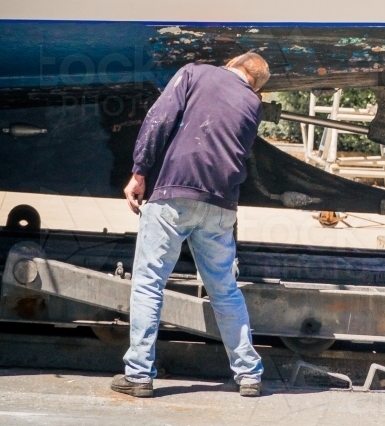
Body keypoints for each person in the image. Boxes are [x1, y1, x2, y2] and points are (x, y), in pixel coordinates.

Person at [110, 51, 270, 399]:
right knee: (225, 289)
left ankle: (139, 374)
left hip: (174, 193)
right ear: (255, 83)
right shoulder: (254, 104)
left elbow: (159, 119)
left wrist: (139, 171)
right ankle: (248, 374)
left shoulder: (194, 73)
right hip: (221, 204)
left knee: (149, 282)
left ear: (232, 63)